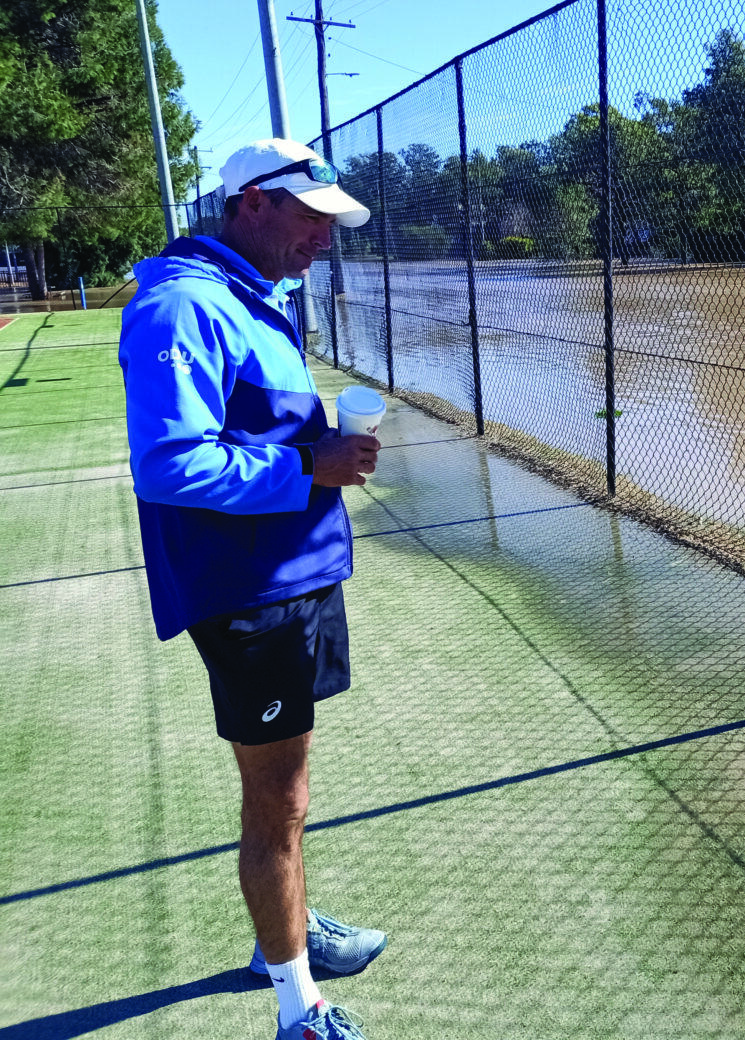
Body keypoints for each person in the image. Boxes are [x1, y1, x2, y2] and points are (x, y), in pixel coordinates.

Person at [119, 139, 385, 1040]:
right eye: (311, 217)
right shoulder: (181, 304)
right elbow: (170, 463)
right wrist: (312, 463)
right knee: (279, 794)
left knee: (290, 785)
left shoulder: (255, 295)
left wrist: (313, 453)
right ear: (254, 205)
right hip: (247, 591)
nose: (323, 237)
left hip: (294, 574)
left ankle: (287, 934)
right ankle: (294, 1004)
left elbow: (246, 425)